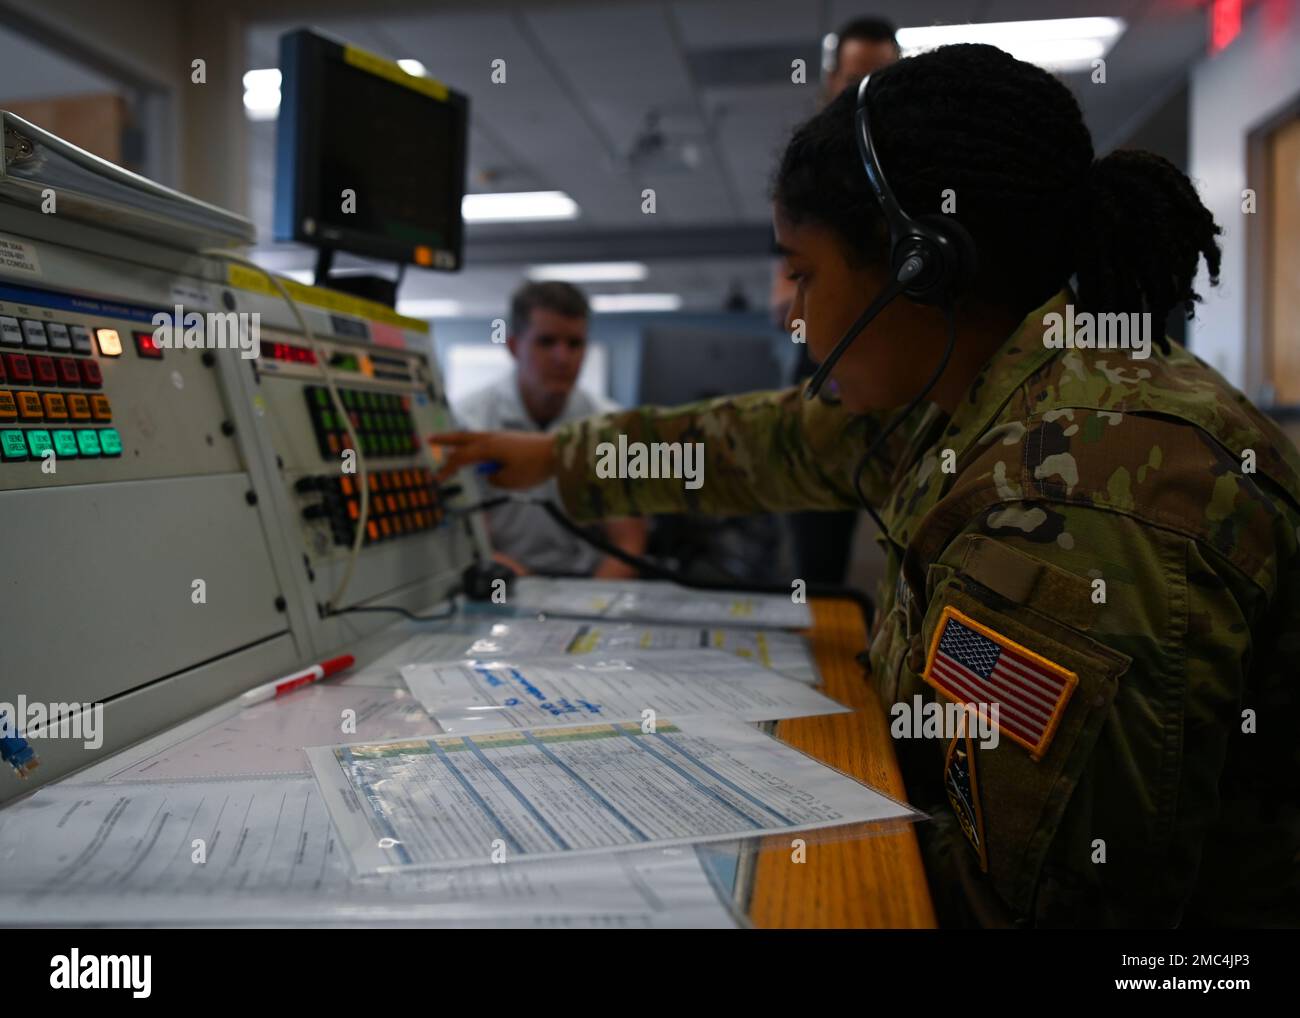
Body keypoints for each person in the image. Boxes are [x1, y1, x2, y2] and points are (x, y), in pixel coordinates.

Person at [432, 44, 1300, 928]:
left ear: (921, 265)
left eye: (803, 273)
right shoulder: (975, 391)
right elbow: (759, 445)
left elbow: (1029, 908)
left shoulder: (1081, 500)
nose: (792, 313)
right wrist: (553, 459)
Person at [778, 16, 901, 585]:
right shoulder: (809, 176)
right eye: (854, 80)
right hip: (828, 376)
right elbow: (786, 301)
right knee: (818, 552)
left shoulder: (919, 174)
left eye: (882, 80)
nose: (865, 96)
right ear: (830, 82)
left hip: (907, 378)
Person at [453, 280, 646, 578]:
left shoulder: (611, 425)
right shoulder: (468, 422)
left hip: (587, 586)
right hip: (503, 582)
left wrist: (589, 610)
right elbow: (467, 539)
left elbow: (628, 542)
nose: (563, 358)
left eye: (575, 344)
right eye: (546, 342)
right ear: (515, 346)